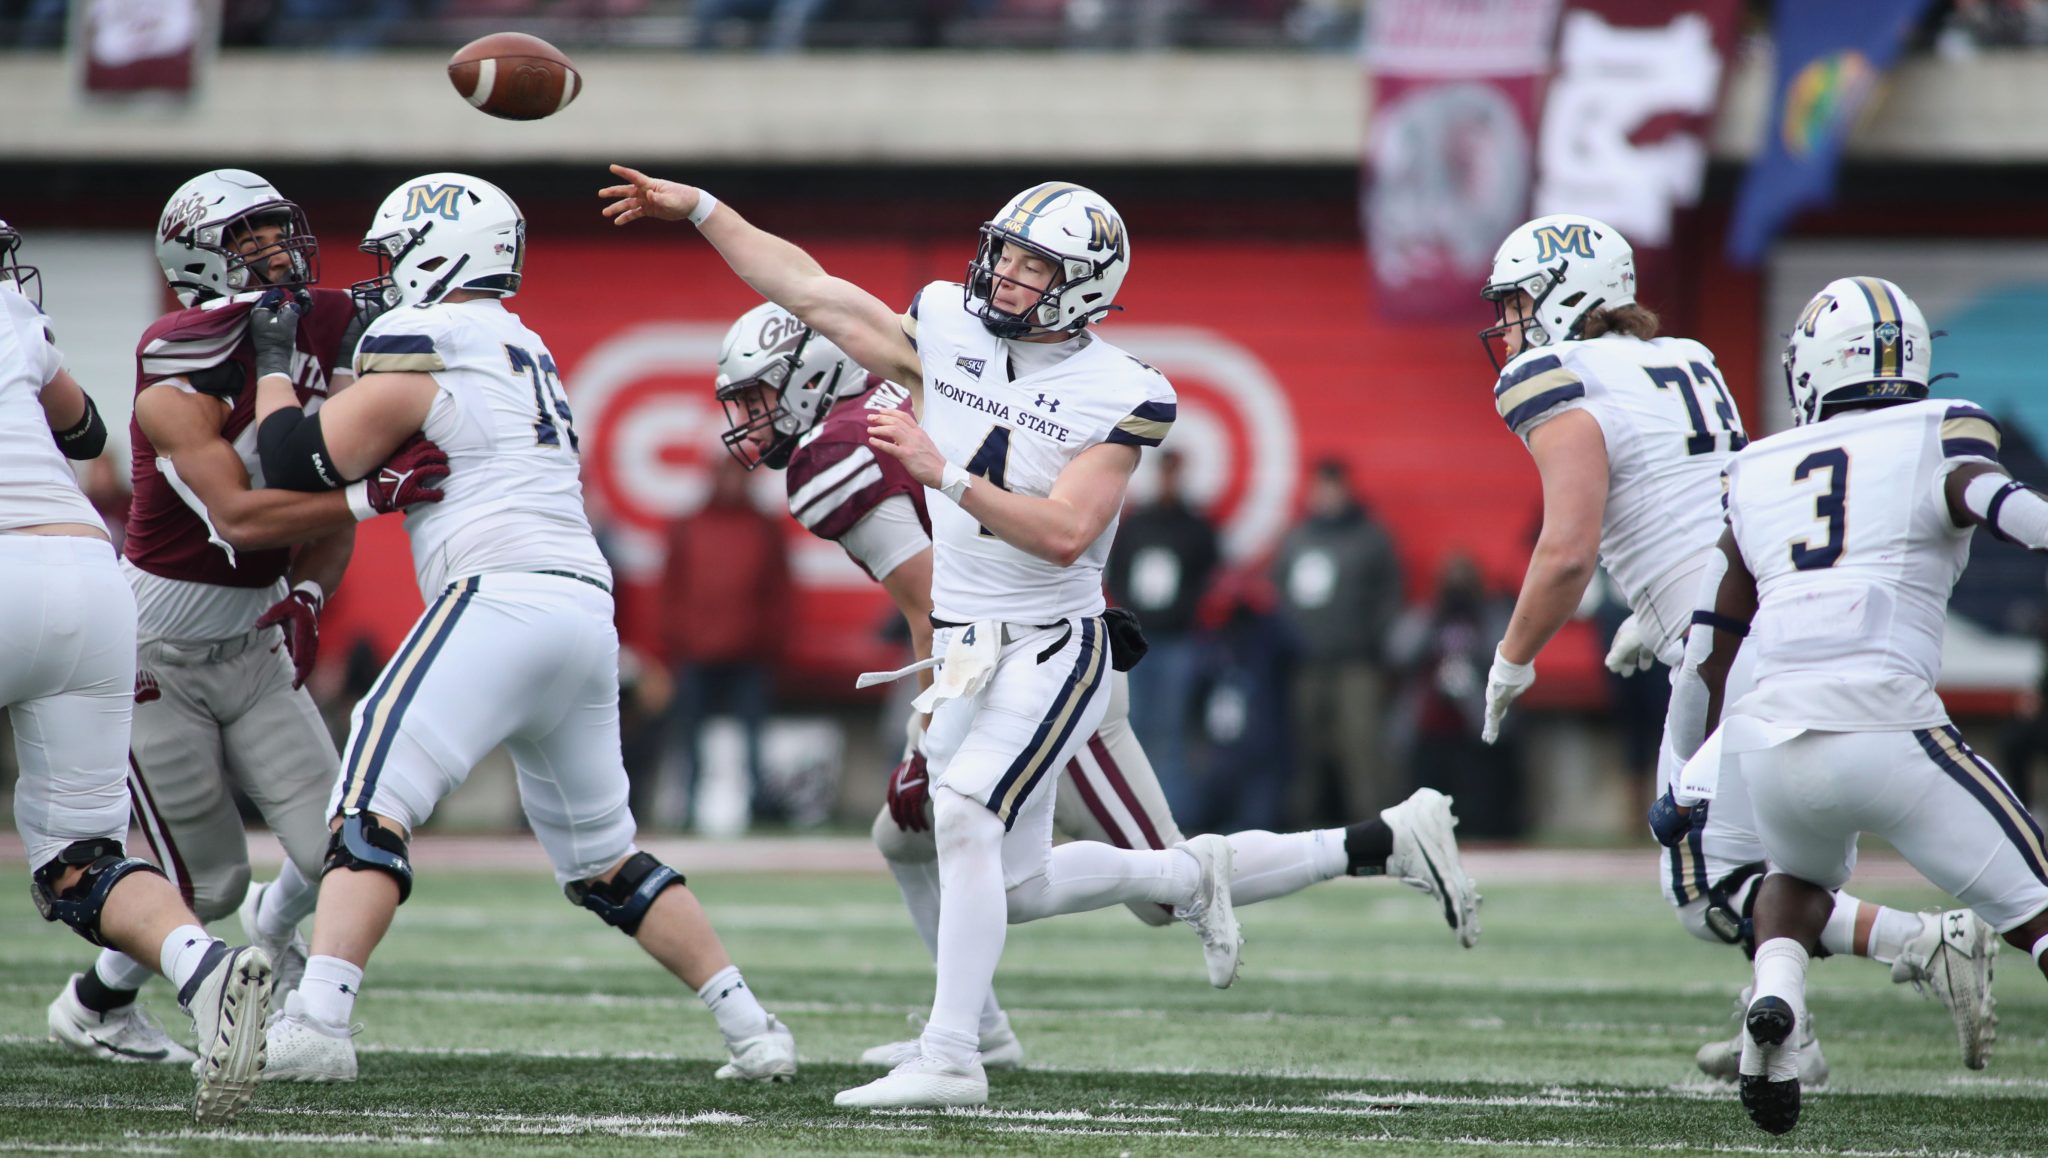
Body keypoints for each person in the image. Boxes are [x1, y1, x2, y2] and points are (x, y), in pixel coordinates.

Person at [601, 166, 1479, 1108]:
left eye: (1030, 263)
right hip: (974, 649)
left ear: (1086, 283)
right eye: (1005, 253)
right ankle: (1352, 849)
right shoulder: (948, 326)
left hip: (1054, 641)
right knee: (1013, 881)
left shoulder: (1124, 388)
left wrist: (945, 474)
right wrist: (699, 209)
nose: (1004, 274)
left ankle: (957, 1052)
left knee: (969, 818)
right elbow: (807, 287)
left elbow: (1066, 531)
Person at [246, 172, 796, 1085]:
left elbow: (290, 458)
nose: (379, 280)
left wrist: (273, 363)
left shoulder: (431, 339)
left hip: (495, 598)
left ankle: (319, 1022)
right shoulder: (519, 344)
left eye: (392, 256)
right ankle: (753, 1029)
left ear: (438, 250)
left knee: (368, 809)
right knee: (604, 863)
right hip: (583, 611)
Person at [1475, 216, 1993, 1083]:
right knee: (1767, 857)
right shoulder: (1691, 356)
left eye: (1521, 300)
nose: (1512, 324)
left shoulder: (1550, 372)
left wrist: (1513, 657)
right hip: (1768, 611)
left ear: (1567, 292)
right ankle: (1786, 1029)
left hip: (1724, 653)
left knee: (1704, 890)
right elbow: (1733, 498)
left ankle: (1921, 943)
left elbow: (1566, 548)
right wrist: (1655, 603)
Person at [45, 170, 449, 1068]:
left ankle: (291, 973)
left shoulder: (316, 323)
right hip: (158, 651)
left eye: (279, 232)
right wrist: (371, 500)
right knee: (211, 880)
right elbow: (245, 515)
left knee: (345, 841)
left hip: (255, 640)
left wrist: (308, 595)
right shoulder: (172, 369)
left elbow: (325, 498)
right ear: (197, 258)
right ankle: (95, 1005)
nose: (277, 252)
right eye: (250, 240)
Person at [1659, 276, 2048, 1134]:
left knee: (1793, 880)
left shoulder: (1757, 468)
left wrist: (1690, 766)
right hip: (1889, 728)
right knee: (2038, 905)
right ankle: (1777, 1004)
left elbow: (1711, 641)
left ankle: (1776, 1003)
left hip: (1769, 745)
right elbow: (1990, 499)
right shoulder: (1935, 431)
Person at [3, 219, 273, 1125]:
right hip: (88, 572)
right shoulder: (14, 315)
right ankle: (201, 965)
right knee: (83, 858)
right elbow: (83, 433)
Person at [1270, 458, 1404, 825]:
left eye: (1333, 487)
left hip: (1355, 662)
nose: (1326, 496)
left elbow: (1390, 595)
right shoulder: (1298, 537)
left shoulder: (1370, 536)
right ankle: (1303, 825)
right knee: (1305, 749)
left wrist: (1370, 639)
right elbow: (1278, 591)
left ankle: (1372, 824)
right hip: (1306, 663)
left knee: (1360, 745)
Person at [658, 452, 789, 826]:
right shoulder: (688, 526)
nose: (733, 483)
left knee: (754, 738)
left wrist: (770, 641)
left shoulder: (765, 528)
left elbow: (780, 592)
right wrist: (676, 638)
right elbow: (671, 588)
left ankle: (759, 808)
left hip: (750, 652)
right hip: (694, 652)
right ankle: (685, 809)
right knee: (688, 736)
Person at [1105, 447, 1219, 818]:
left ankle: (1173, 814)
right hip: (1138, 642)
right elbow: (1115, 572)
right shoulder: (1136, 525)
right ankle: (1133, 812)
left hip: (1178, 641)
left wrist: (1182, 612)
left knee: (1172, 730)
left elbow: (1210, 579)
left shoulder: (1197, 528)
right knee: (1132, 727)